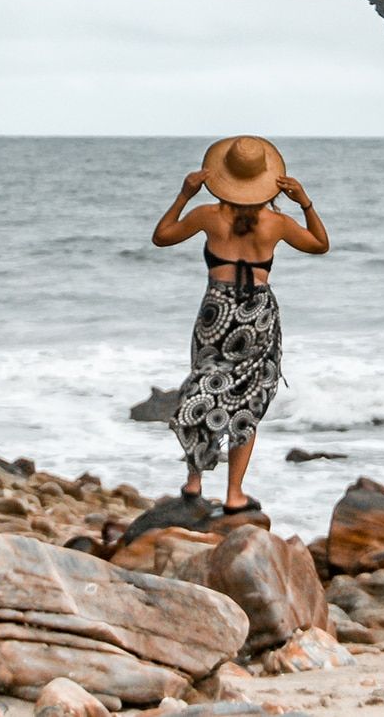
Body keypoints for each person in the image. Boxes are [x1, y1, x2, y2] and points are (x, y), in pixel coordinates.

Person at [150, 135, 329, 514]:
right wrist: (305, 202)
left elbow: (161, 237)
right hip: (257, 314)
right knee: (247, 399)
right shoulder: (277, 223)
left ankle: (194, 482)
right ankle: (234, 494)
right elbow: (319, 244)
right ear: (265, 181)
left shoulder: (207, 216)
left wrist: (184, 194)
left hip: (216, 311)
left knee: (206, 383)